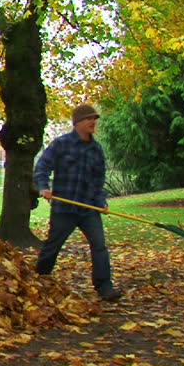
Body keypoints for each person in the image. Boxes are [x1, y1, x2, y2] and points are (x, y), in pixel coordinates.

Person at [34, 103, 122, 302]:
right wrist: (43, 186)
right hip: (64, 208)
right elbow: (42, 167)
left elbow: (99, 179)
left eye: (94, 119)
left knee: (99, 246)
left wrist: (101, 201)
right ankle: (38, 279)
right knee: (53, 245)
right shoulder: (61, 144)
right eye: (88, 118)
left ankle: (104, 287)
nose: (93, 122)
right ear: (78, 123)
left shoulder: (96, 149)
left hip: (88, 208)